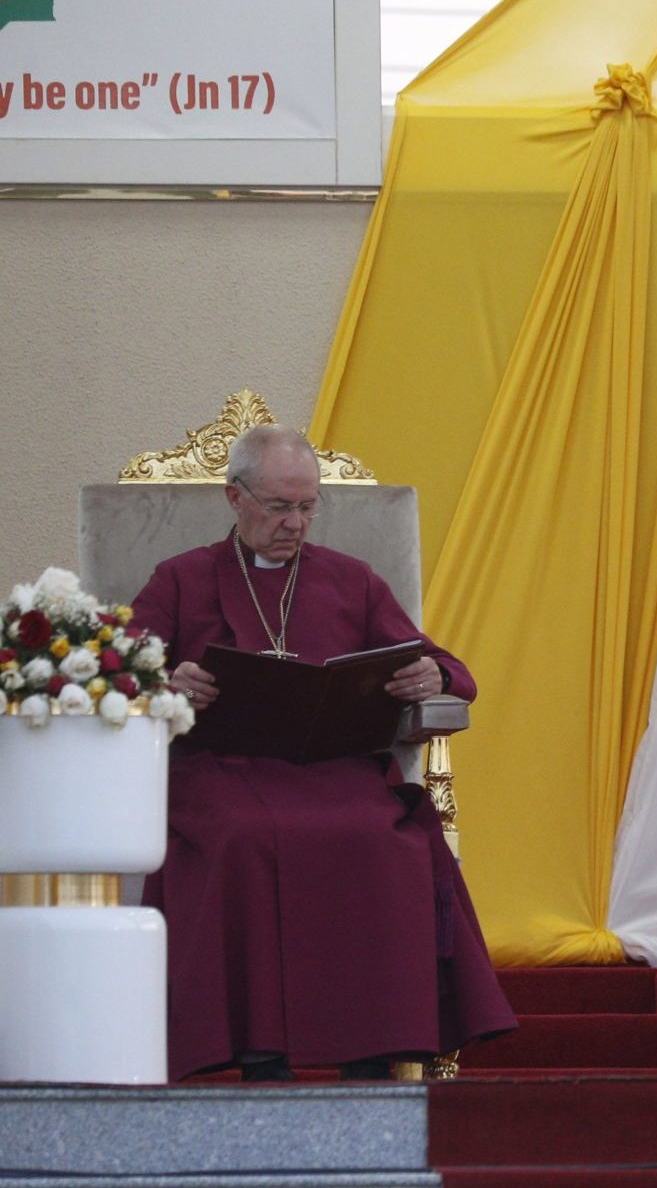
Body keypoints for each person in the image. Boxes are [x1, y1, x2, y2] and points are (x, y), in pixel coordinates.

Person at [131, 425, 514, 1080]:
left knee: (377, 836)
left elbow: (442, 663)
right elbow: (117, 662)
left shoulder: (351, 581)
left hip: (335, 770)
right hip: (223, 770)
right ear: (234, 498)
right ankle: (257, 1053)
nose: (297, 524)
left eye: (308, 507)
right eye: (280, 507)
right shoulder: (181, 579)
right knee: (241, 838)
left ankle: (372, 1049)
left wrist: (433, 677)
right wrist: (162, 680)